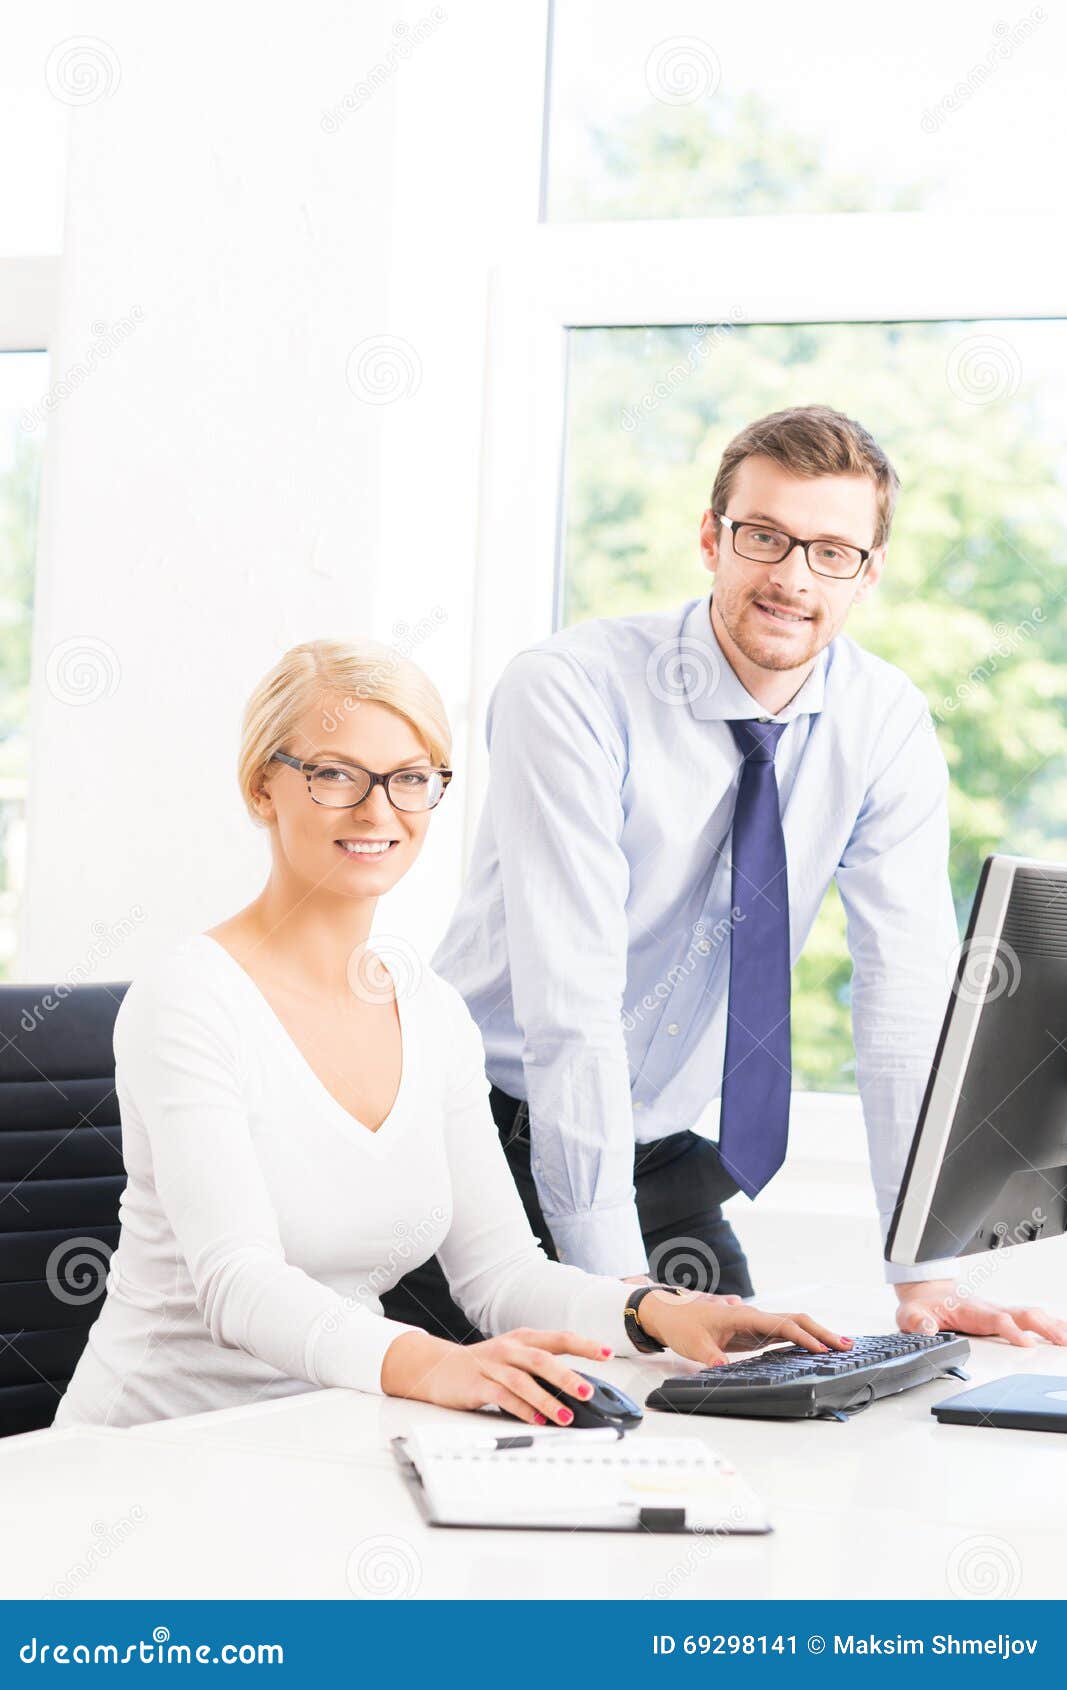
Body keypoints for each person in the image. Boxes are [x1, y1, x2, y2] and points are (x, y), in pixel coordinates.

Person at [384, 404, 1067, 1352]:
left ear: (867, 574)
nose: (791, 577)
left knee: (758, 1414)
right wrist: (625, 1296)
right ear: (712, 539)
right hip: (477, 1141)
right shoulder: (571, 690)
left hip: (658, 1157)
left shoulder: (883, 721)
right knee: (465, 1444)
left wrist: (926, 1271)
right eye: (764, 538)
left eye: (831, 551)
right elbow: (572, 1005)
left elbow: (903, 999)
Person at [53, 638, 848, 1430]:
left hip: (326, 1436)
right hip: (150, 1450)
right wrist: (432, 1363)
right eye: (334, 774)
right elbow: (238, 1280)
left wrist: (654, 1313)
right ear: (263, 787)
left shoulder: (428, 1008)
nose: (378, 810)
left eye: (409, 779)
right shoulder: (190, 997)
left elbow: (499, 1273)